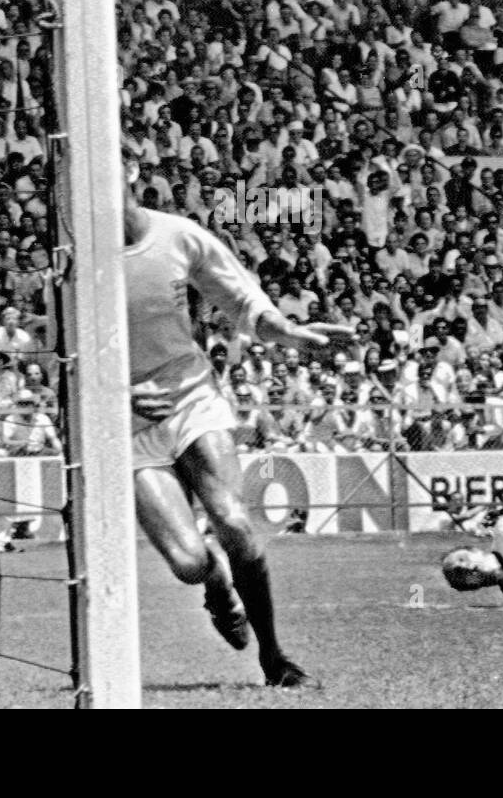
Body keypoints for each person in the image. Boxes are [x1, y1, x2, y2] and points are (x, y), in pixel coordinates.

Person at [123, 142, 351, 689]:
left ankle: (274, 657)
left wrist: (289, 332)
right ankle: (216, 586)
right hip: (123, 420)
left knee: (235, 521)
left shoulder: (178, 236)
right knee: (188, 561)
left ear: (131, 170)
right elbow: (63, 356)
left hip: (191, 397)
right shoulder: (74, 258)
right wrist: (116, 395)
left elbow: (245, 303)